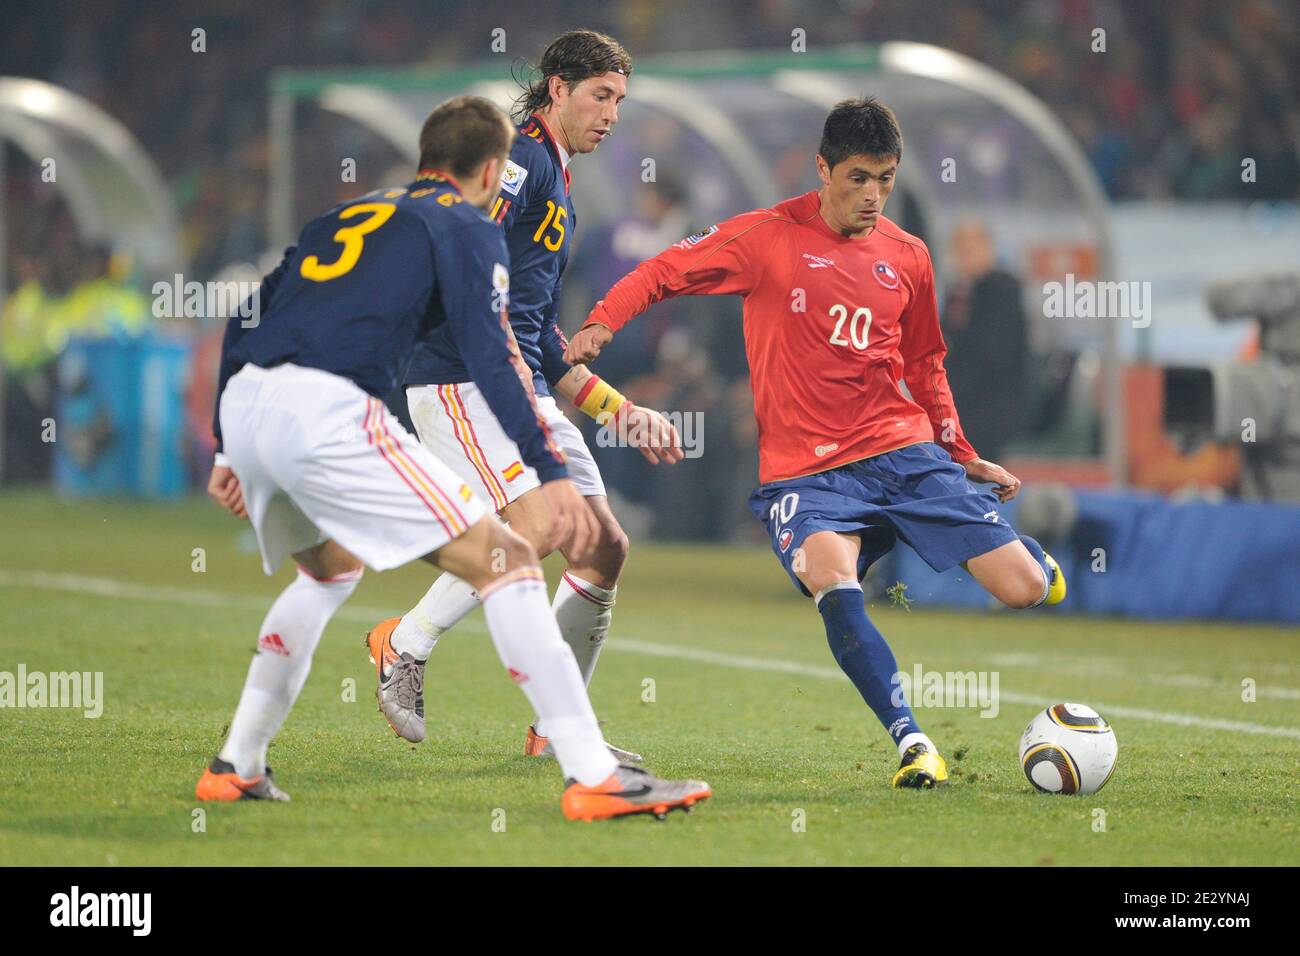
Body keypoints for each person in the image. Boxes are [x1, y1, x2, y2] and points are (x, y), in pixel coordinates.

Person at [198, 95, 710, 821]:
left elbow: (245, 314)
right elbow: (497, 364)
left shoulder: (348, 214)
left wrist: (225, 445)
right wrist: (551, 470)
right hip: (332, 411)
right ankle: (591, 772)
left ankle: (237, 765)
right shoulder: (466, 229)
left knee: (329, 568)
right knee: (508, 558)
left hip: (252, 403)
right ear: (493, 169)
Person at [565, 97, 1066, 789]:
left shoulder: (910, 257)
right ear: (823, 168)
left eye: (885, 179)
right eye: (858, 177)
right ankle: (913, 742)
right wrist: (599, 324)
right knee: (831, 580)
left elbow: (925, 365)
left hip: (903, 454)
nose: (872, 195)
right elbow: (662, 271)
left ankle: (1032, 557)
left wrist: (958, 448)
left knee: (1024, 589)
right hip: (808, 474)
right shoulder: (767, 237)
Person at [368, 31, 681, 763]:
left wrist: (618, 410)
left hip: (521, 379)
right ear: (557, 87)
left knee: (603, 545)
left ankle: (553, 728)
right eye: (600, 95)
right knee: (537, 527)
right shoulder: (524, 159)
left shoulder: (560, 180)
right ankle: (403, 645)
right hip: (460, 379)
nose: (610, 113)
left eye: (619, 100)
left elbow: (538, 330)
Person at [940, 219, 1030, 462]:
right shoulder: (958, 293)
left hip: (991, 404)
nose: (965, 253)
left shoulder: (1000, 291)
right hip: (964, 399)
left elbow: (992, 356)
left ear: (989, 248)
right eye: (959, 246)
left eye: (973, 245)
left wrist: (950, 389)